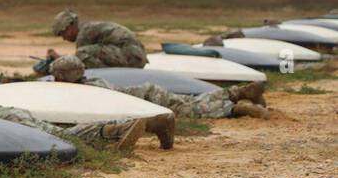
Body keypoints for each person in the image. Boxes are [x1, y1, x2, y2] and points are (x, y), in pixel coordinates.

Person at [0, 37, 169, 149]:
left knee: (65, 139)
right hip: (5, 116)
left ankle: (117, 130)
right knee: (62, 135)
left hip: (0, 121)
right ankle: (135, 126)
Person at [47, 55, 270, 119]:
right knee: (191, 102)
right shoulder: (90, 82)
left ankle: (234, 109)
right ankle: (239, 92)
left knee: (191, 110)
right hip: (146, 92)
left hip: (147, 100)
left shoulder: (85, 92)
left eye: (57, 76)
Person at [49, 10, 147, 68]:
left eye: (63, 33)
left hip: (132, 55)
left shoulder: (84, 34)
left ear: (70, 27)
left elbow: (78, 64)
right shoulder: (88, 28)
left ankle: (105, 74)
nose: (64, 38)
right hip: (135, 55)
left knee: (81, 53)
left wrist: (59, 60)